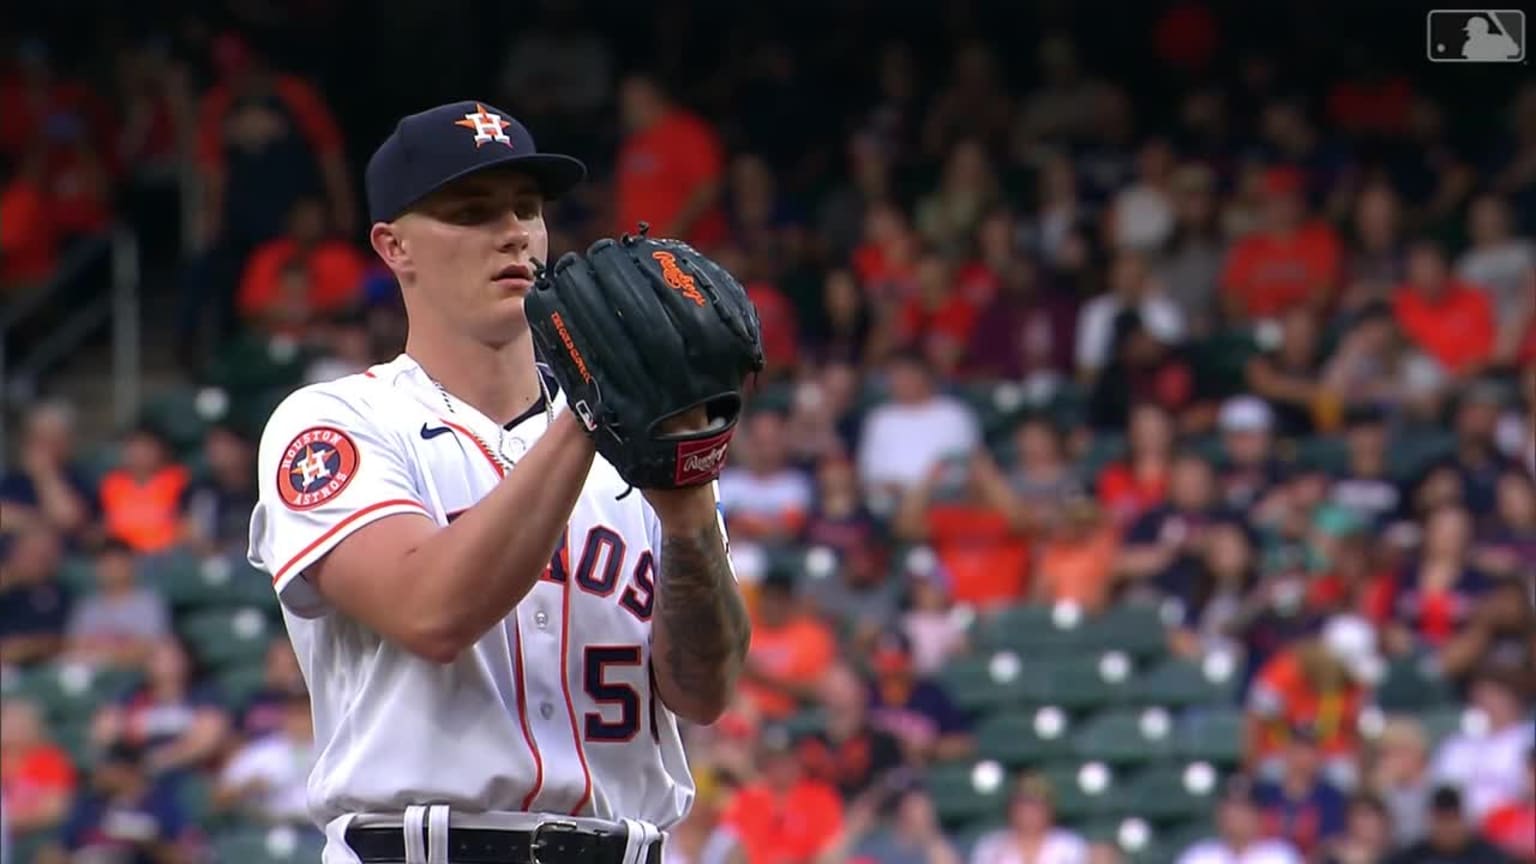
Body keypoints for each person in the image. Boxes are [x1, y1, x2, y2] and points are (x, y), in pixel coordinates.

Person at [246, 100, 748, 863]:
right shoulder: (338, 421)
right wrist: (592, 409)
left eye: (526, 207)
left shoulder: (627, 430)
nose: (512, 231)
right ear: (394, 246)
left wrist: (688, 512)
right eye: (473, 212)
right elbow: (433, 612)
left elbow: (703, 691)